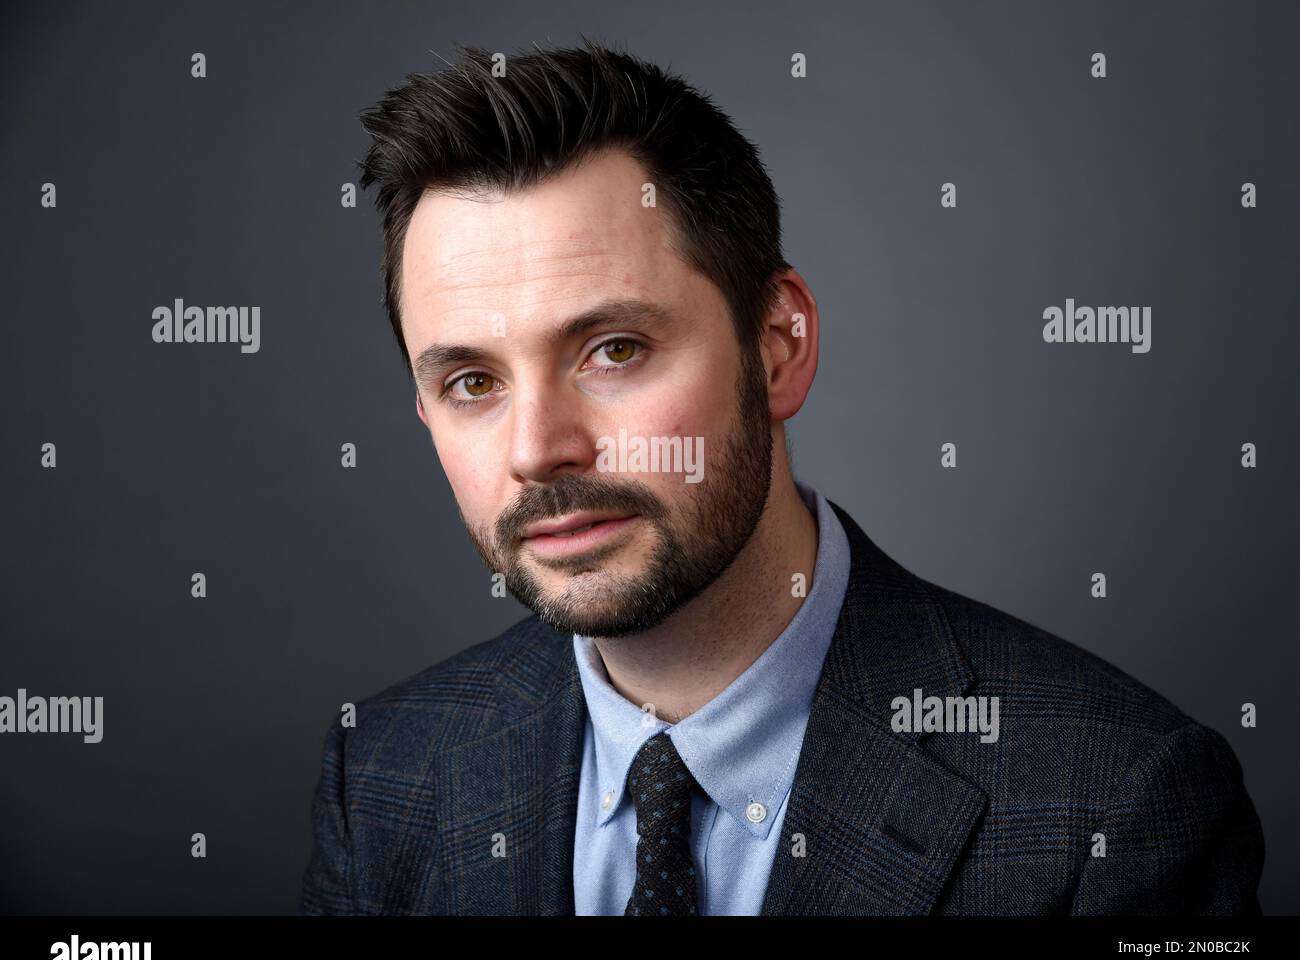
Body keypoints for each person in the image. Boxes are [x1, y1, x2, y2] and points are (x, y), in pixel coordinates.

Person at [300, 37, 1264, 915]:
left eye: (614, 349)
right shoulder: (384, 774)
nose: (536, 448)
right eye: (472, 381)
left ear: (778, 346)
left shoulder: (1118, 801)